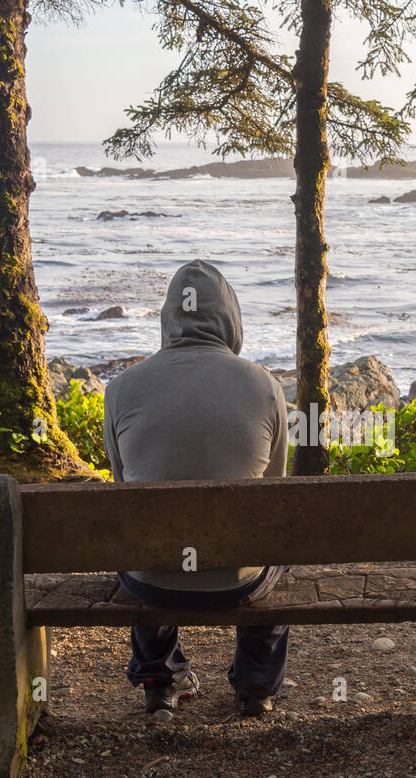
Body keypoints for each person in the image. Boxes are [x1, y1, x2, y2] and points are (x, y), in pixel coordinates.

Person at [103, 260, 290, 717]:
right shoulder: (267, 387)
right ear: (231, 319)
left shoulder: (121, 389)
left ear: (169, 318)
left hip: (152, 582)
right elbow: (275, 493)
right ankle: (255, 686)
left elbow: (122, 484)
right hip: (237, 579)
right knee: (277, 543)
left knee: (143, 536)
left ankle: (159, 680)